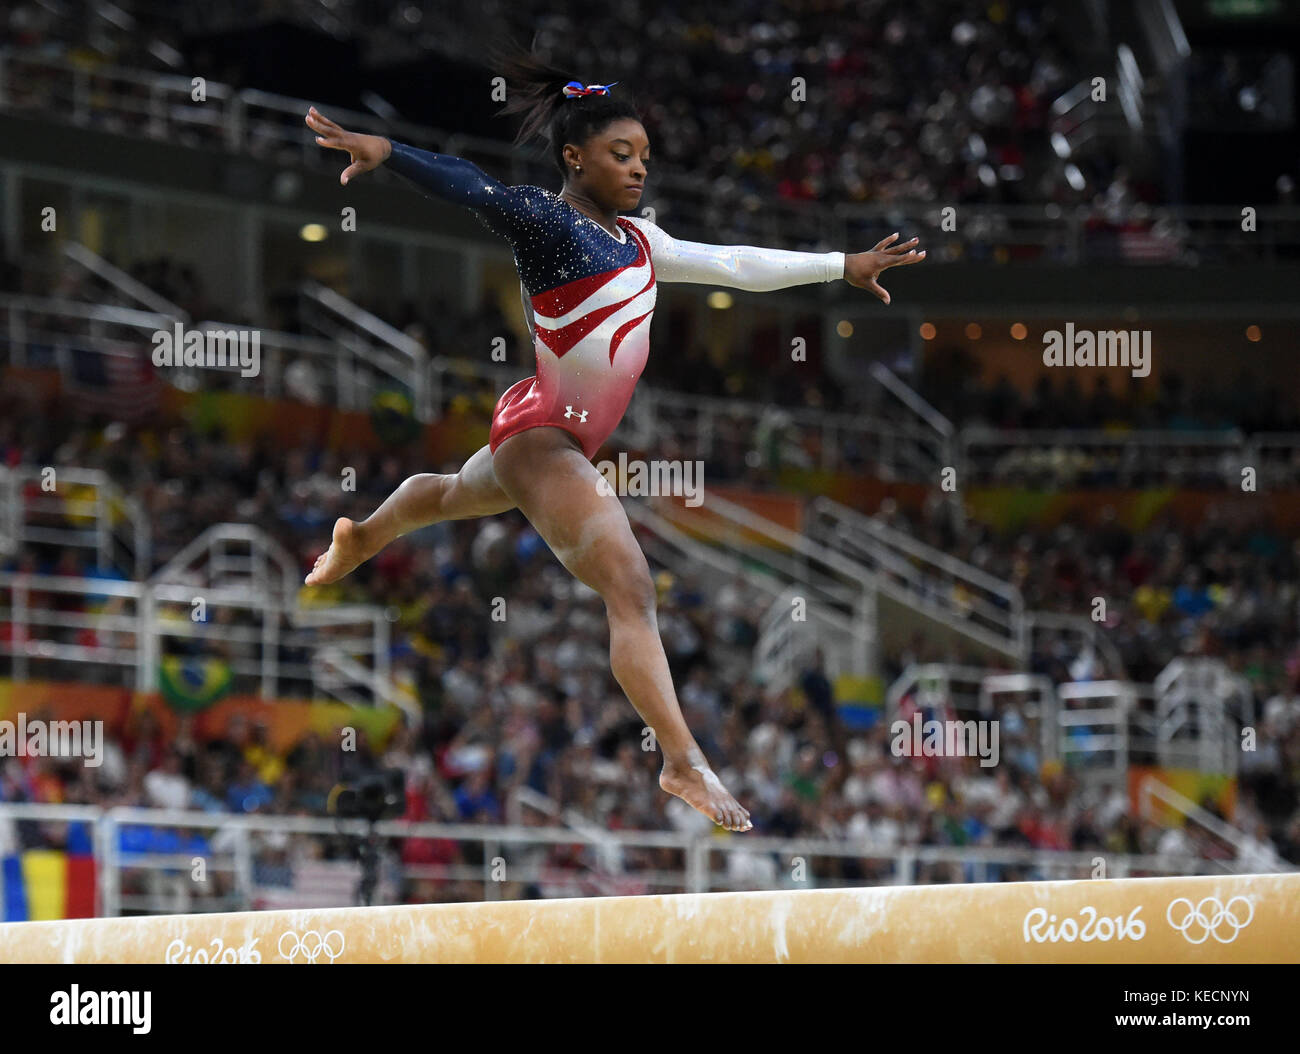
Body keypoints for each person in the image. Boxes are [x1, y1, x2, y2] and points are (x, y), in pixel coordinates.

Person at [301, 49, 925, 832]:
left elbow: (734, 263)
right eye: (620, 155)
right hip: (546, 439)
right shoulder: (548, 222)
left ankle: (363, 534)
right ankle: (680, 759)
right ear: (575, 157)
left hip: (545, 429)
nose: (638, 171)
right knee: (631, 588)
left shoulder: (641, 242)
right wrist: (390, 153)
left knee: (459, 494)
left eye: (644, 159)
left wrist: (843, 264)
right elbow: (472, 185)